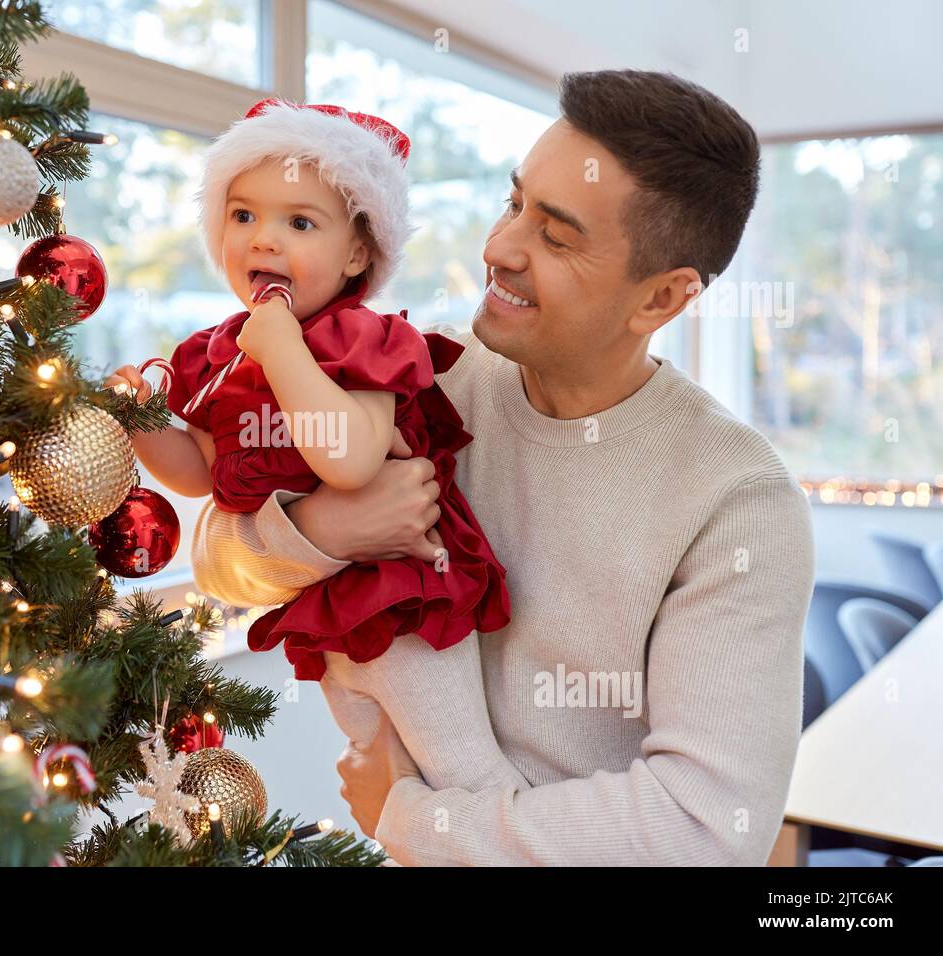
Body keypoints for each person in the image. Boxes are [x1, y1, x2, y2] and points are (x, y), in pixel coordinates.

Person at [188, 71, 817, 866]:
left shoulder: (738, 503)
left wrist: (414, 818)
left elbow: (702, 831)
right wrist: (323, 529)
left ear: (661, 300)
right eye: (513, 203)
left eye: (555, 237)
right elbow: (219, 558)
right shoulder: (428, 371)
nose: (498, 248)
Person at [105, 98, 520, 795]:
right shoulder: (216, 357)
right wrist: (143, 424)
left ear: (357, 252)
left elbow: (352, 460)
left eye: (299, 222)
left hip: (402, 601)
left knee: (464, 777)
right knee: (381, 770)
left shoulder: (360, 339)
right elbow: (205, 475)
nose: (263, 241)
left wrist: (282, 352)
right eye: (243, 215)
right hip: (324, 615)